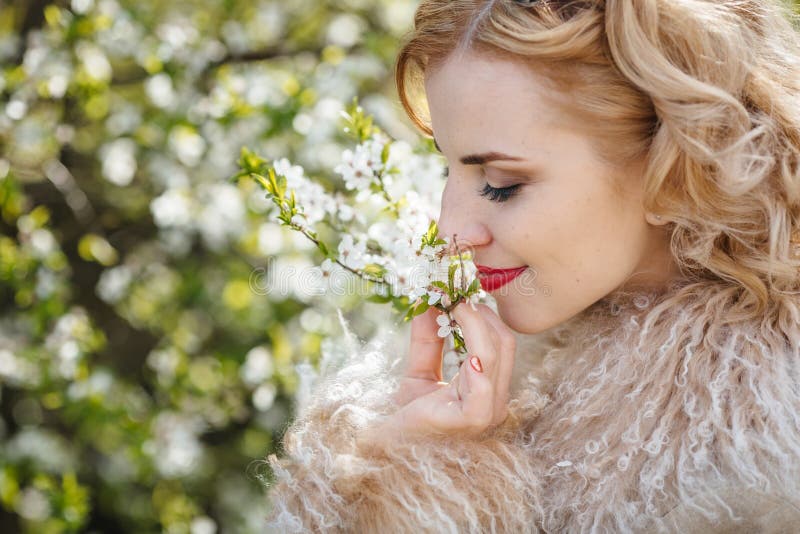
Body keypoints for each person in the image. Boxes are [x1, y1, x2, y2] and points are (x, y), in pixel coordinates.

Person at [264, 0, 800, 531]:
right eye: (448, 168)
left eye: (501, 185)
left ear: (676, 163)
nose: (450, 232)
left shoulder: (759, 445)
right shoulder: (498, 358)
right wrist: (400, 472)